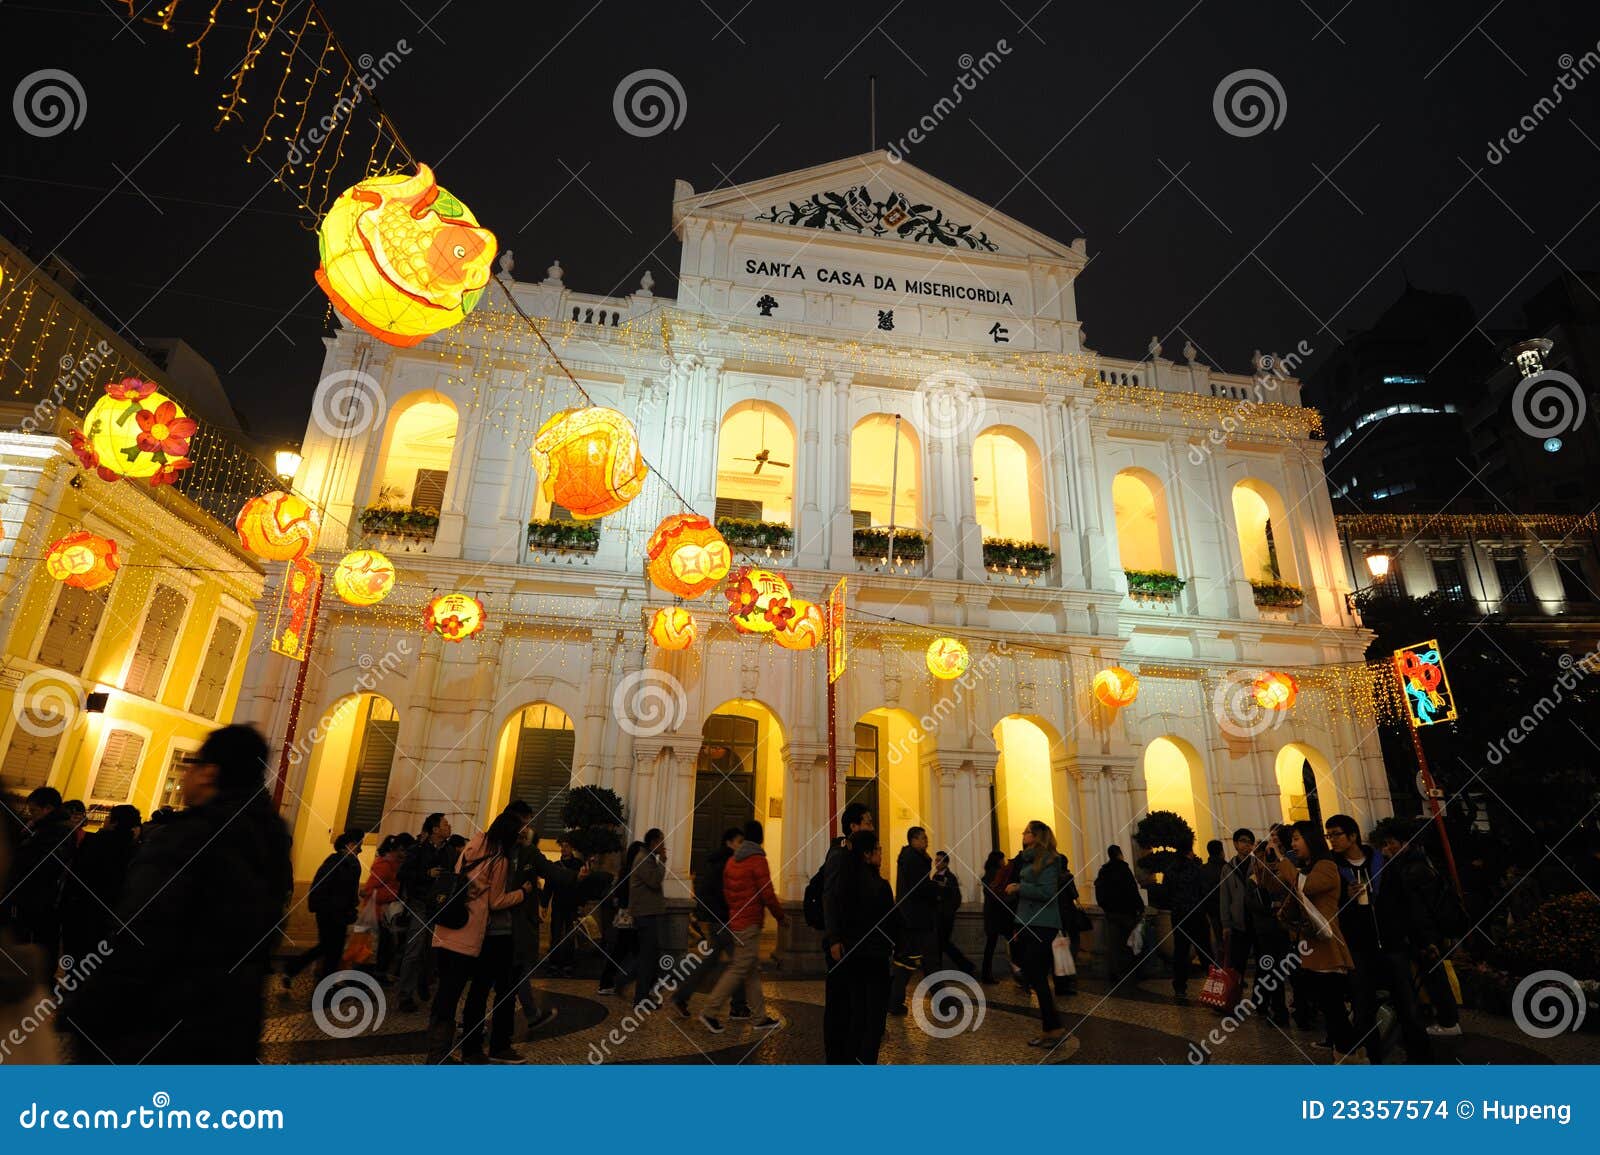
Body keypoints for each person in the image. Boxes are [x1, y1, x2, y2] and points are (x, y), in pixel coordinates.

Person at [63, 725, 292, 1063]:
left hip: (159, 1030)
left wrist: (86, 1012)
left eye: (191, 764)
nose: (184, 774)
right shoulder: (272, 838)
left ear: (208, 773)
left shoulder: (185, 838)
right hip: (231, 1028)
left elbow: (137, 936)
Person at [426, 811, 534, 1064]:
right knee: (464, 991)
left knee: (446, 993)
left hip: (446, 928)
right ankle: (439, 1055)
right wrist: (523, 892)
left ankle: (437, 1051)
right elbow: (496, 901)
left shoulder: (473, 844)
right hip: (468, 931)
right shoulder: (499, 857)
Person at [1265, 820, 1356, 1059]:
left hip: (1328, 947)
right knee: (1328, 1006)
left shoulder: (1326, 866)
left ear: (1310, 840)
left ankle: (1349, 1055)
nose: (1293, 844)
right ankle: (1342, 1050)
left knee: (1334, 1007)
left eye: (1297, 839)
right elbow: (1280, 886)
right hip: (1313, 946)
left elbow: (1305, 886)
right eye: (1292, 840)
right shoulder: (1306, 867)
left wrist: (1283, 858)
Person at [1373, 819, 1461, 1046]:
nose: (1386, 849)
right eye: (1384, 844)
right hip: (1422, 933)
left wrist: (1426, 939)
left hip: (1423, 934)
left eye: (1390, 843)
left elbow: (1417, 910)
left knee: (1433, 976)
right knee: (1430, 975)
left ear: (1404, 843)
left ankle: (1449, 1022)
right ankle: (1443, 1019)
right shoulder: (1417, 863)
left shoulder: (1410, 869)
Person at [700, 820, 785, 1033]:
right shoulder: (757, 860)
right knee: (740, 968)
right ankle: (709, 1011)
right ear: (761, 838)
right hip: (749, 922)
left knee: (750, 970)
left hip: (736, 920)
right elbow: (767, 893)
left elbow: (727, 892)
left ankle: (759, 1017)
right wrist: (781, 916)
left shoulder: (732, 861)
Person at [1324, 813, 1386, 1060]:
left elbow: (1396, 901)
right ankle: (1371, 1057)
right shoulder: (1333, 868)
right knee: (1362, 1004)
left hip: (1387, 942)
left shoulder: (1379, 861)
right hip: (1354, 945)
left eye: (1336, 834)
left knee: (1401, 1002)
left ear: (1353, 836)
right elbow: (1330, 907)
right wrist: (1346, 900)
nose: (1332, 840)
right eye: (1328, 836)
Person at [673, 826, 750, 1018]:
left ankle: (682, 995)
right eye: (739, 842)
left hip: (719, 919)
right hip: (725, 920)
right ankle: (738, 1006)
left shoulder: (719, 862)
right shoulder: (728, 864)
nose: (742, 846)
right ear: (729, 843)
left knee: (710, 962)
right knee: (739, 963)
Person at [833, 830, 897, 1063]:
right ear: (867, 854)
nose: (881, 853)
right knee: (875, 1019)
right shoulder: (880, 886)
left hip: (852, 954)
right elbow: (890, 922)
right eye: (878, 849)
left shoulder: (845, 882)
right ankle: (867, 1062)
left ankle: (851, 1061)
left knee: (857, 1014)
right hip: (875, 956)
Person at [821, 801, 874, 1063]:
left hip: (853, 941)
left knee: (850, 1002)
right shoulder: (840, 856)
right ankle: (836, 1057)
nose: (872, 827)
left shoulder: (855, 856)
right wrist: (834, 938)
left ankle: (848, 1052)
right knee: (839, 1003)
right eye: (868, 822)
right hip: (839, 942)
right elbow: (830, 897)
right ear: (853, 826)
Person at [1005, 819, 1065, 1047]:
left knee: (1036, 975)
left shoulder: (1049, 860)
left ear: (1037, 836)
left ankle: (1054, 1029)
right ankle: (1051, 1028)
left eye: (1027, 832)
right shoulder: (1028, 860)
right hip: (1028, 923)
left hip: (1043, 924)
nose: (1023, 834)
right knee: (1033, 975)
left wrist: (1020, 888)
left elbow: (1048, 892)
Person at [58, 803, 141, 961]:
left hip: (80, 907)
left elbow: (76, 873)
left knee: (74, 954)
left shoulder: (94, 841)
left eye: (109, 818)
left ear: (114, 822)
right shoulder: (133, 849)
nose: (106, 820)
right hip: (109, 911)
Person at [283, 829, 364, 987]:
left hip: (331, 911)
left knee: (327, 947)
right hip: (333, 912)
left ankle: (296, 970)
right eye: (358, 844)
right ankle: (322, 984)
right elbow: (343, 889)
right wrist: (349, 907)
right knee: (332, 949)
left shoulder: (339, 861)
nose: (360, 848)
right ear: (350, 844)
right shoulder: (346, 863)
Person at [3, 787, 76, 957]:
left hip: (39, 900)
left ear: (48, 809)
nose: (31, 815)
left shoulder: (58, 830)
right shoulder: (43, 827)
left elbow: (44, 863)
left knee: (34, 946)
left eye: (34, 811)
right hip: (30, 897)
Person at [396, 813, 452, 1011]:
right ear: (435, 829)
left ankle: (423, 983)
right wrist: (426, 874)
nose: (449, 826)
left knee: (432, 950)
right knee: (414, 949)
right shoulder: (418, 849)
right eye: (445, 824)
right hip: (420, 904)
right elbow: (403, 873)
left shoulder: (448, 851)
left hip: (438, 906)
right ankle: (405, 995)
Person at [887, 826, 940, 1014]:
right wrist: (938, 888)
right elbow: (921, 887)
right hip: (917, 918)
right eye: (923, 838)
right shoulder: (914, 860)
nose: (927, 841)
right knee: (919, 959)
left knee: (911, 960)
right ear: (914, 840)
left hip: (912, 917)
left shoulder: (911, 858)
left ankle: (895, 1000)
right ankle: (940, 998)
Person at [1165, 844, 1213, 1004]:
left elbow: (1166, 891)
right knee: (1205, 951)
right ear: (1188, 852)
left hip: (1179, 915)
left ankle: (1180, 988)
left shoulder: (1170, 870)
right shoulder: (1196, 869)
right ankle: (1214, 986)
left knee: (1180, 952)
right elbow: (1204, 891)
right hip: (1197, 914)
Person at [1218, 828, 1257, 1015]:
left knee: (1263, 963)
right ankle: (1233, 1002)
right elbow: (1224, 898)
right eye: (1242, 841)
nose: (1246, 845)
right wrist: (1225, 923)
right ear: (1235, 844)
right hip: (1238, 923)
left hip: (1256, 921)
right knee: (1237, 965)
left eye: (1249, 842)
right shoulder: (1227, 868)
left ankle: (1260, 1001)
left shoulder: (1258, 864)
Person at [598, 841, 644, 995]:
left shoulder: (627, 871)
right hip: (629, 918)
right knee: (635, 953)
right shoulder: (632, 872)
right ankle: (616, 983)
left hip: (626, 917)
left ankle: (610, 982)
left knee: (622, 951)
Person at [1094, 844, 1145, 984]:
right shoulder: (1124, 869)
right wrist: (1139, 907)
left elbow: (1099, 890)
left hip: (1112, 913)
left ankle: (1115, 973)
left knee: (1114, 944)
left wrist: (1105, 906)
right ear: (1119, 854)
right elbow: (1132, 889)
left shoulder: (1104, 871)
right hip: (1127, 912)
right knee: (1131, 942)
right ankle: (1133, 971)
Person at [629, 828, 669, 1005]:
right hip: (645, 914)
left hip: (649, 912)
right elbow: (654, 881)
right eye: (661, 842)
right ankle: (640, 997)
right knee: (647, 957)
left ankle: (645, 993)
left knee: (650, 955)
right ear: (654, 843)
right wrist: (663, 862)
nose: (664, 846)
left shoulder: (648, 857)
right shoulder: (645, 859)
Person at [364, 834, 407, 979]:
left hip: (386, 914)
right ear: (391, 850)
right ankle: (370, 975)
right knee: (378, 947)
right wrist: (394, 894)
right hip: (378, 913)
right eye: (400, 850)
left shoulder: (394, 866)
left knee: (385, 946)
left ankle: (377, 974)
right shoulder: (384, 866)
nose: (403, 854)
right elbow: (368, 891)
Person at [541, 836, 584, 975]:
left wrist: (581, 904)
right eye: (562, 846)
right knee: (555, 934)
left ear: (571, 848)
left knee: (570, 934)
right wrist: (544, 903)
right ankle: (554, 962)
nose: (564, 849)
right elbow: (549, 885)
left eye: (567, 846)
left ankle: (568, 963)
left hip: (572, 904)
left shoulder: (578, 865)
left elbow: (581, 886)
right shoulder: (555, 865)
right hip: (558, 904)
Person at [932, 851, 976, 976]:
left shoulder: (950, 878)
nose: (937, 863)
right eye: (936, 860)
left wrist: (948, 910)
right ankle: (938, 968)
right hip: (937, 915)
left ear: (946, 863)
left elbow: (956, 898)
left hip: (945, 916)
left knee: (943, 943)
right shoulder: (935, 876)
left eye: (939, 860)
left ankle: (965, 965)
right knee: (940, 943)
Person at [980, 850, 1014, 984]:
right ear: (998, 860)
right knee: (1014, 942)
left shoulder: (987, 875)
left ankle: (986, 974)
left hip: (991, 914)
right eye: (1003, 859)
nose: (1004, 862)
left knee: (990, 946)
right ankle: (1020, 972)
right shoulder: (999, 876)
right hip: (1001, 914)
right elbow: (1000, 895)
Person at [1202, 838, 1227, 961]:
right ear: (1221, 852)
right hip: (1226, 910)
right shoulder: (1227, 868)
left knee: (1217, 939)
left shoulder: (1203, 870)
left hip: (1211, 911)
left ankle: (1219, 964)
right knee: (1228, 940)